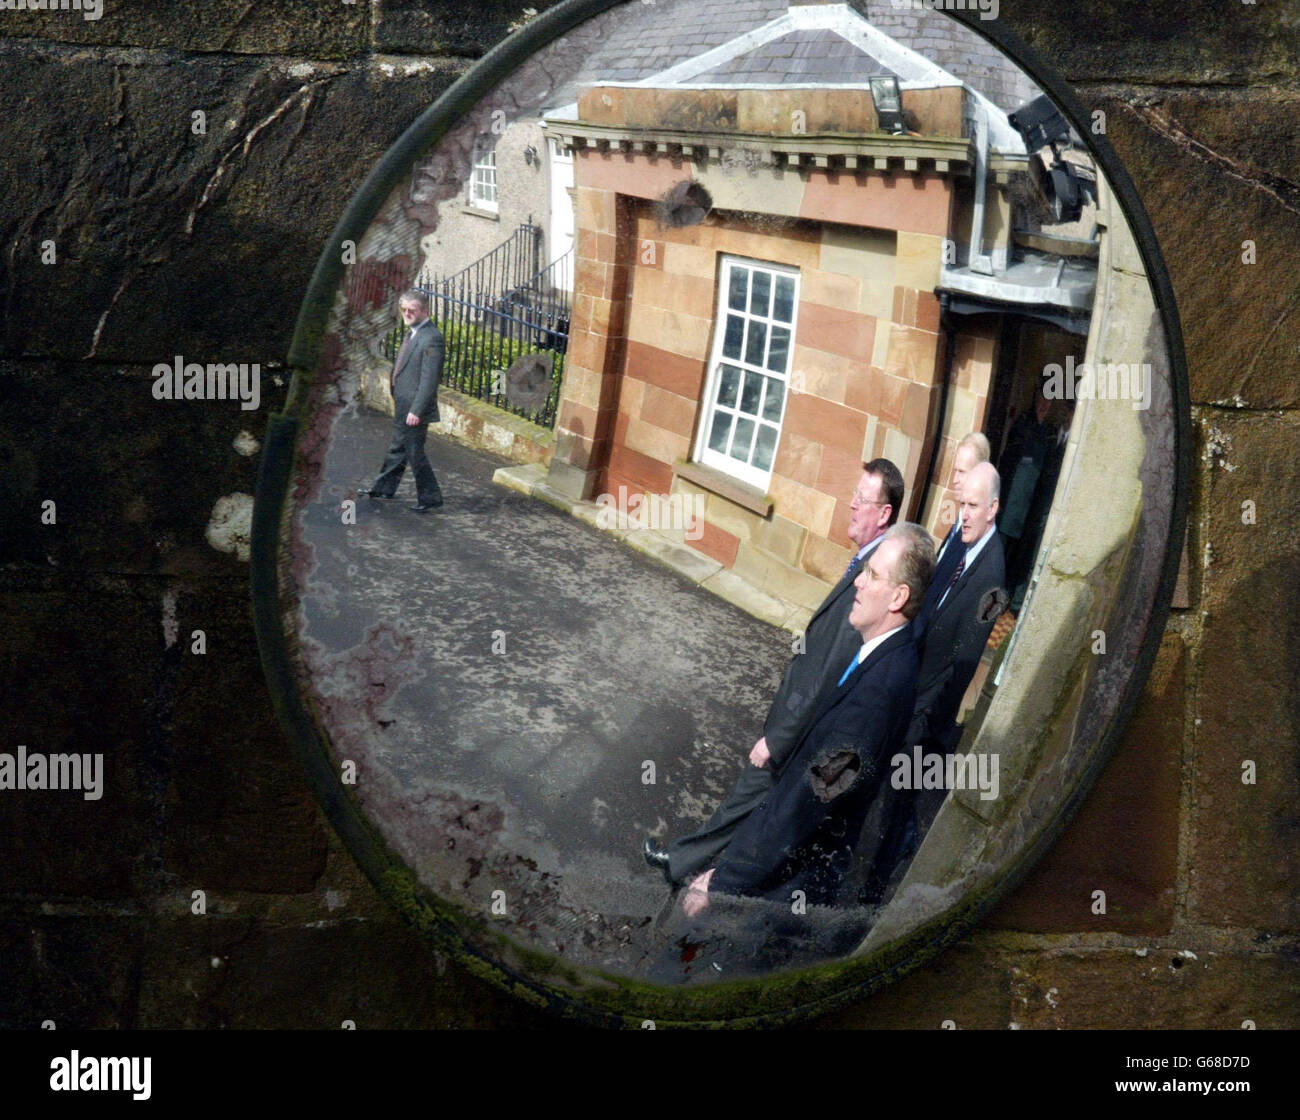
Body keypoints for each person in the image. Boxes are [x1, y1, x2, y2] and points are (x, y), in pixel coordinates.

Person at [642, 459, 906, 887]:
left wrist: (779, 740)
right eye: (854, 495)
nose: (852, 506)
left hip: (796, 734)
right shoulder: (863, 562)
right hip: (796, 727)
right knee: (752, 809)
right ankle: (695, 869)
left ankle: (691, 872)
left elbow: (831, 672)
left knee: (750, 805)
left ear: (884, 514)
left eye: (863, 499)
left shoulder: (870, 576)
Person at [679, 523, 933, 917]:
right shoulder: (882, 657)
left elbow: (805, 806)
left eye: (873, 575)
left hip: (781, 897)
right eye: (863, 570)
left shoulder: (877, 695)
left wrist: (723, 881)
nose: (859, 584)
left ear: (899, 596)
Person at [862, 461, 1007, 904]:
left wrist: (927, 714)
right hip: (907, 681)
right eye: (962, 504)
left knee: (900, 792)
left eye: (973, 506)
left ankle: (872, 893)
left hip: (929, 708)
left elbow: (964, 661)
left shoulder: (993, 577)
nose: (963, 514)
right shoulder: (958, 539)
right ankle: (884, 849)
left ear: (994, 509)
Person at [361, 289, 446, 512]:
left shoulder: (432, 338)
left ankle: (430, 498)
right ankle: (383, 488)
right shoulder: (414, 333)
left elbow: (430, 380)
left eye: (412, 310)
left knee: (414, 451)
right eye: (404, 309)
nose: (406, 313)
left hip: (414, 408)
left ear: (425, 311)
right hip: (404, 404)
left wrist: (417, 410)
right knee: (399, 447)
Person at [917, 432, 990, 634]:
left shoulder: (976, 537)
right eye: (954, 470)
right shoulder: (959, 518)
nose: (954, 479)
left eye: (962, 472)